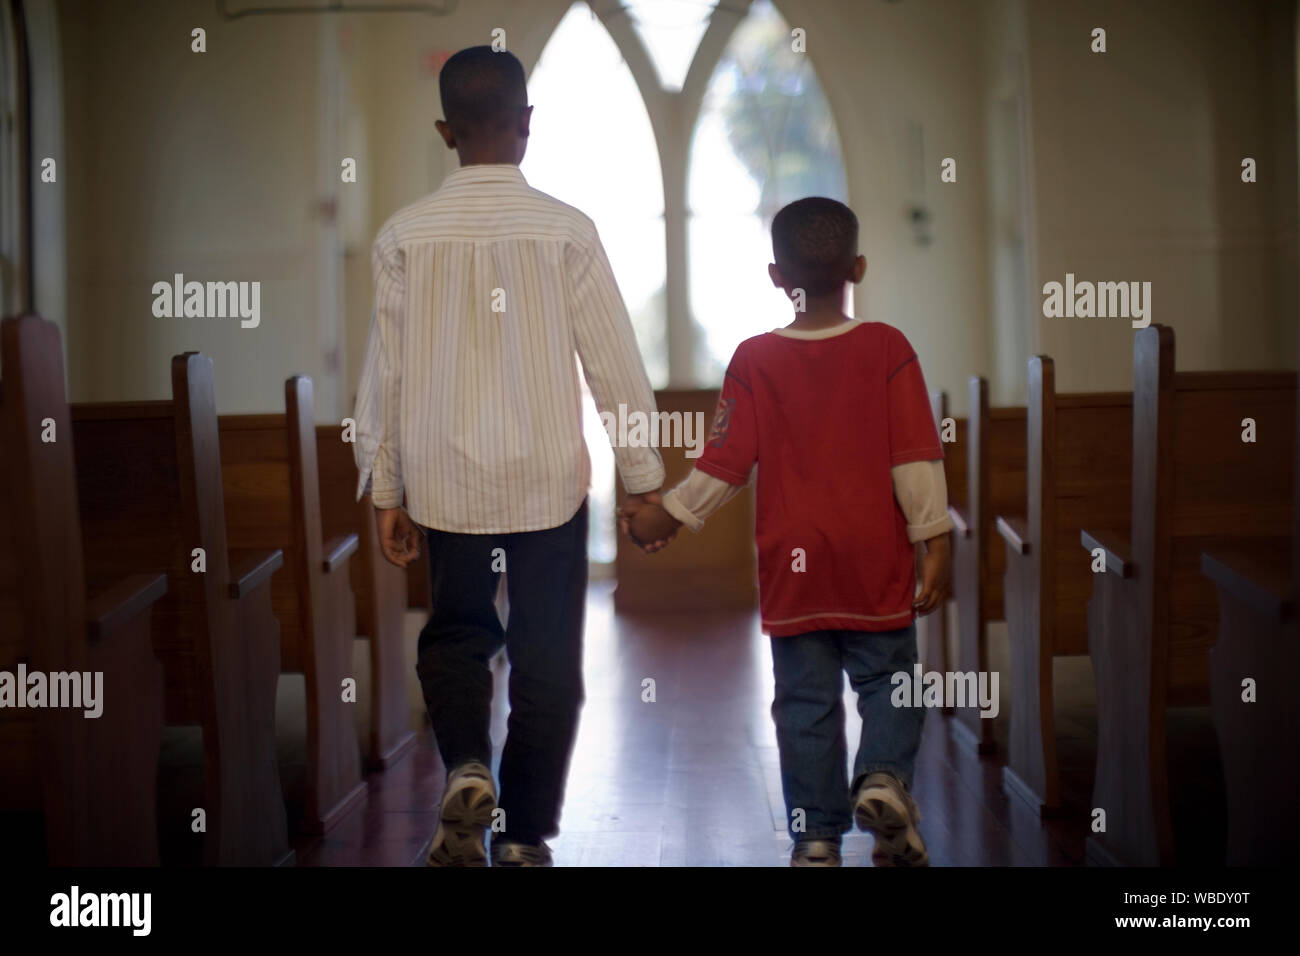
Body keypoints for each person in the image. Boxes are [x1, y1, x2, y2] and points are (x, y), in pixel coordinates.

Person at [352, 45, 665, 867]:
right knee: (548, 659)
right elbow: (614, 367)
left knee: (456, 638)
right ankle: (523, 835)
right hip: (545, 490)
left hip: (446, 488)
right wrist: (645, 484)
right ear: (527, 126)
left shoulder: (402, 238)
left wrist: (386, 487)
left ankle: (465, 767)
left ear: (443, 130)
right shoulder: (567, 231)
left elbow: (385, 373)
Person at [621, 196, 952, 867]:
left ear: (777, 275)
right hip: (873, 561)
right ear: (858, 266)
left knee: (804, 705)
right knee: (892, 682)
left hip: (792, 569)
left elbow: (722, 467)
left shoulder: (754, 360)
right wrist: (934, 537)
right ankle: (885, 778)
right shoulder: (888, 348)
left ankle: (816, 837)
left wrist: (663, 518)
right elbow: (915, 455)